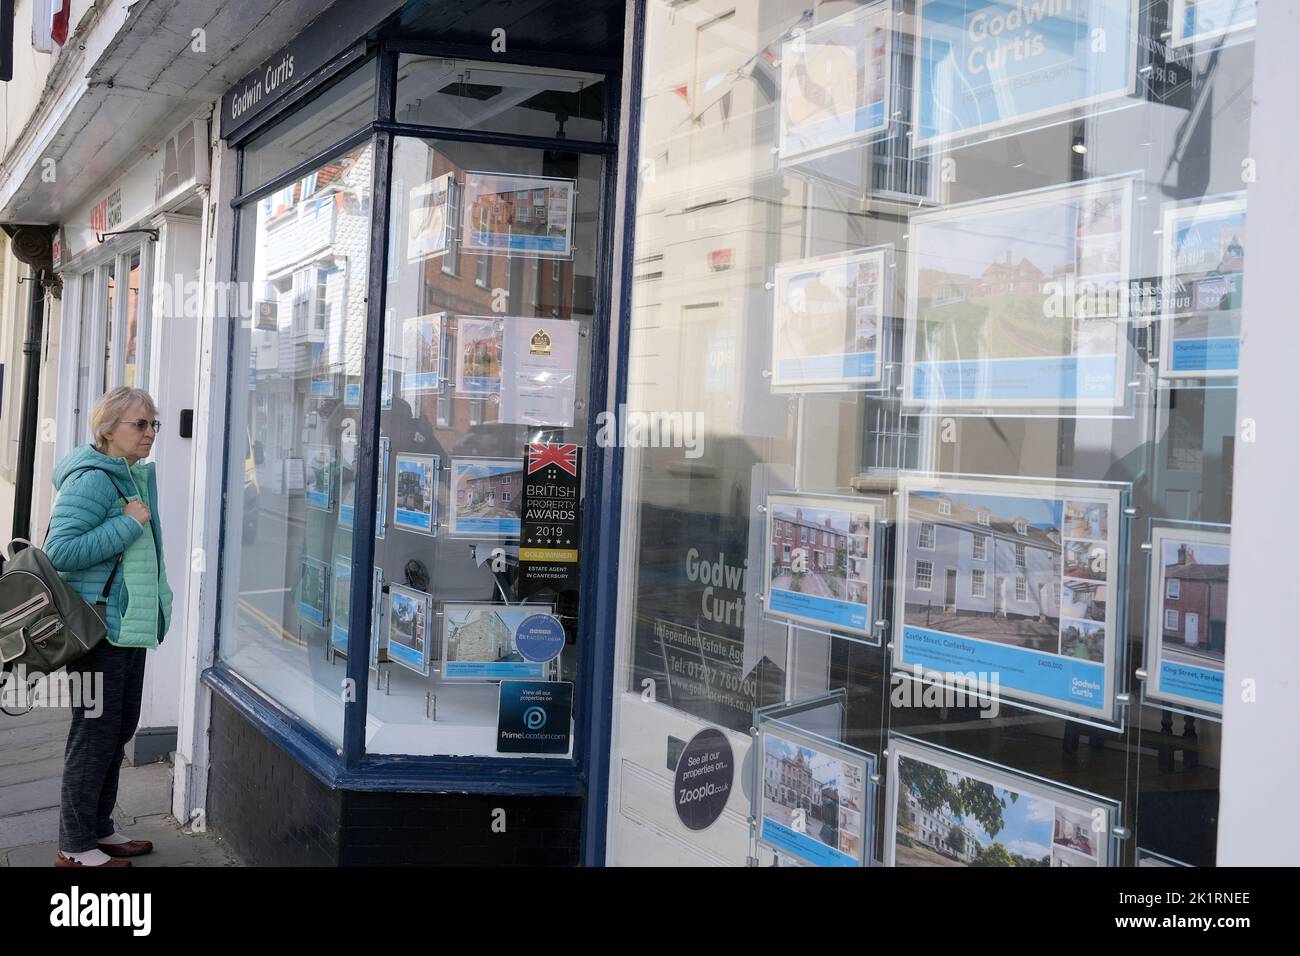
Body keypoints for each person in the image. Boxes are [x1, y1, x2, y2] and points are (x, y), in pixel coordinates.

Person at [45, 387, 173, 867]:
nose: (150, 433)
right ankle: (74, 846)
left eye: (153, 424)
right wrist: (128, 524)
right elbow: (59, 552)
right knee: (93, 736)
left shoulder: (130, 476)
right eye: (139, 424)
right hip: (95, 630)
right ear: (107, 428)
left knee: (116, 730)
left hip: (125, 627)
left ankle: (99, 830)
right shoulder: (93, 480)